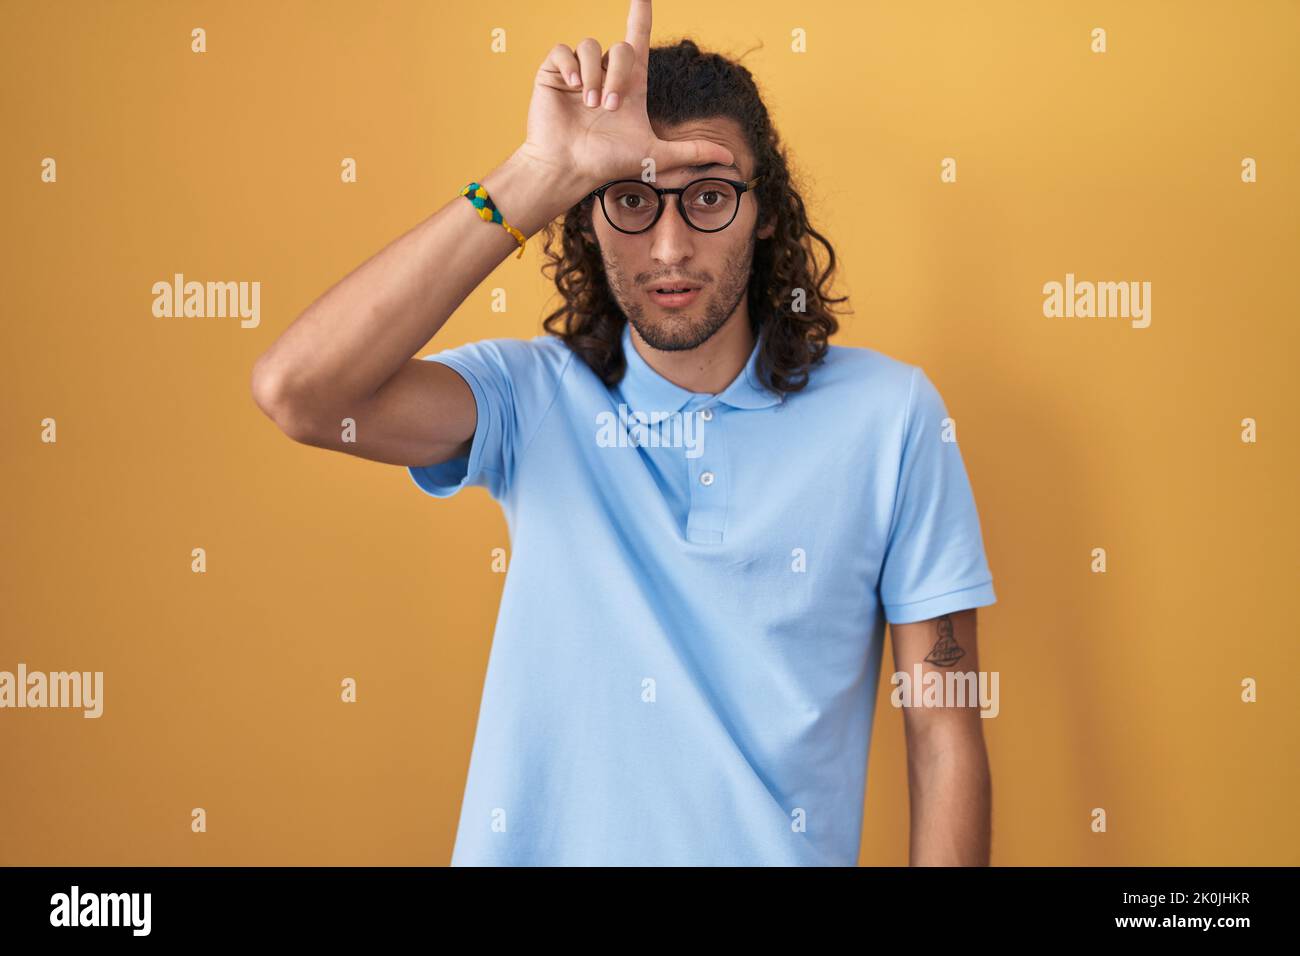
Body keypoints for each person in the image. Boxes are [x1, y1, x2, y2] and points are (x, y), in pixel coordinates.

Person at [251, 0, 997, 866]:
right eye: (632, 200)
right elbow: (297, 391)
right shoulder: (531, 398)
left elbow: (944, 738)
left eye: (709, 196)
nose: (671, 247)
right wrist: (536, 170)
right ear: (586, 213)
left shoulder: (892, 416)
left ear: (765, 210)